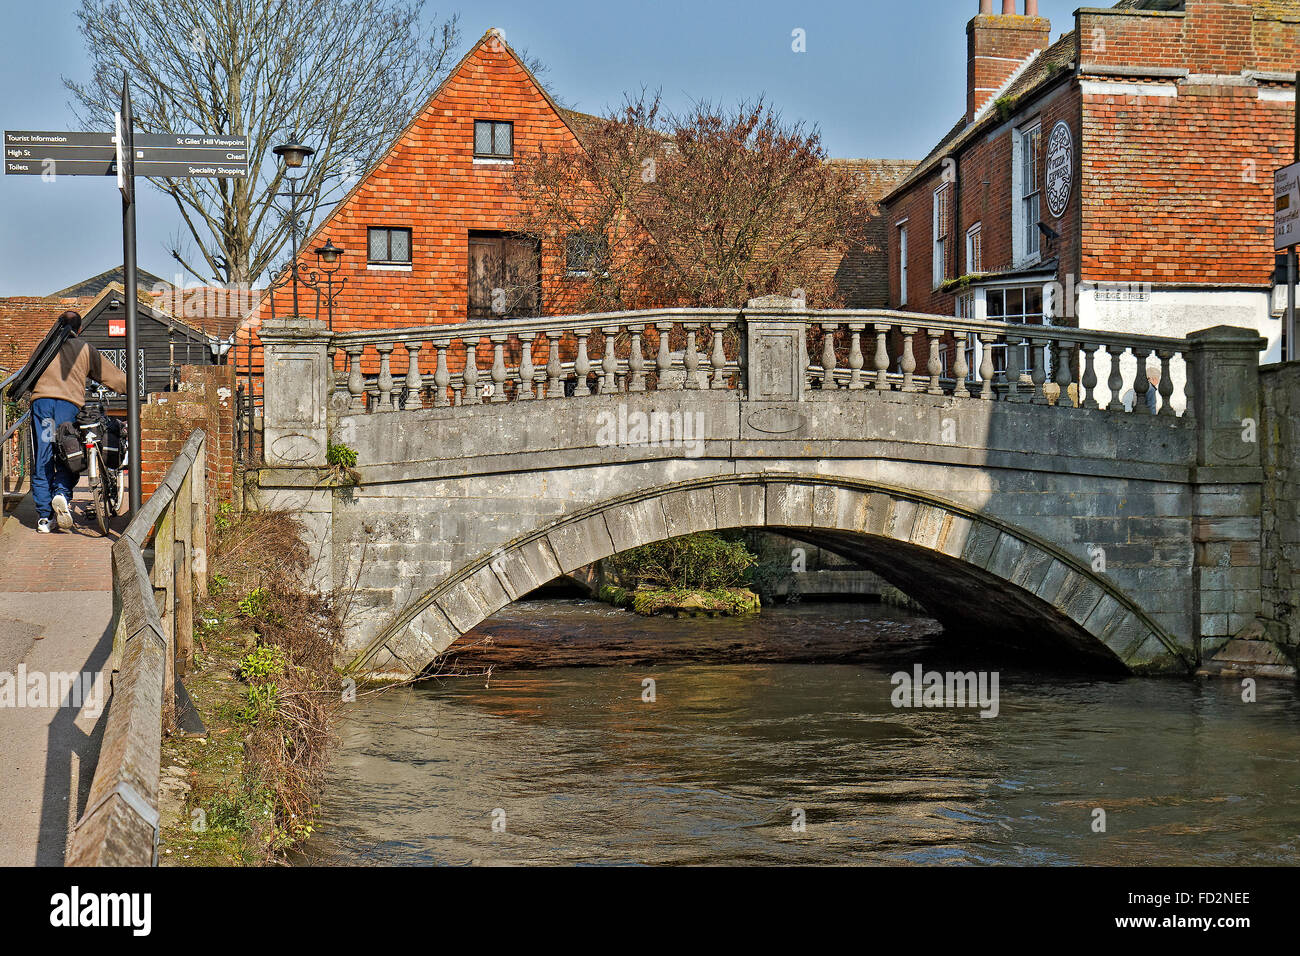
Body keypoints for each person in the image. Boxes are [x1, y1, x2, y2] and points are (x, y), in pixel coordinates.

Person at [28, 310, 127, 533]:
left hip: (42, 406)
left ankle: (45, 517)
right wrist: (129, 388)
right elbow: (113, 377)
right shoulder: (83, 348)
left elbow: (28, 374)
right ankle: (61, 493)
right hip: (67, 406)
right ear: (79, 329)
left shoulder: (42, 345)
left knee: (43, 454)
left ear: (56, 325)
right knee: (69, 450)